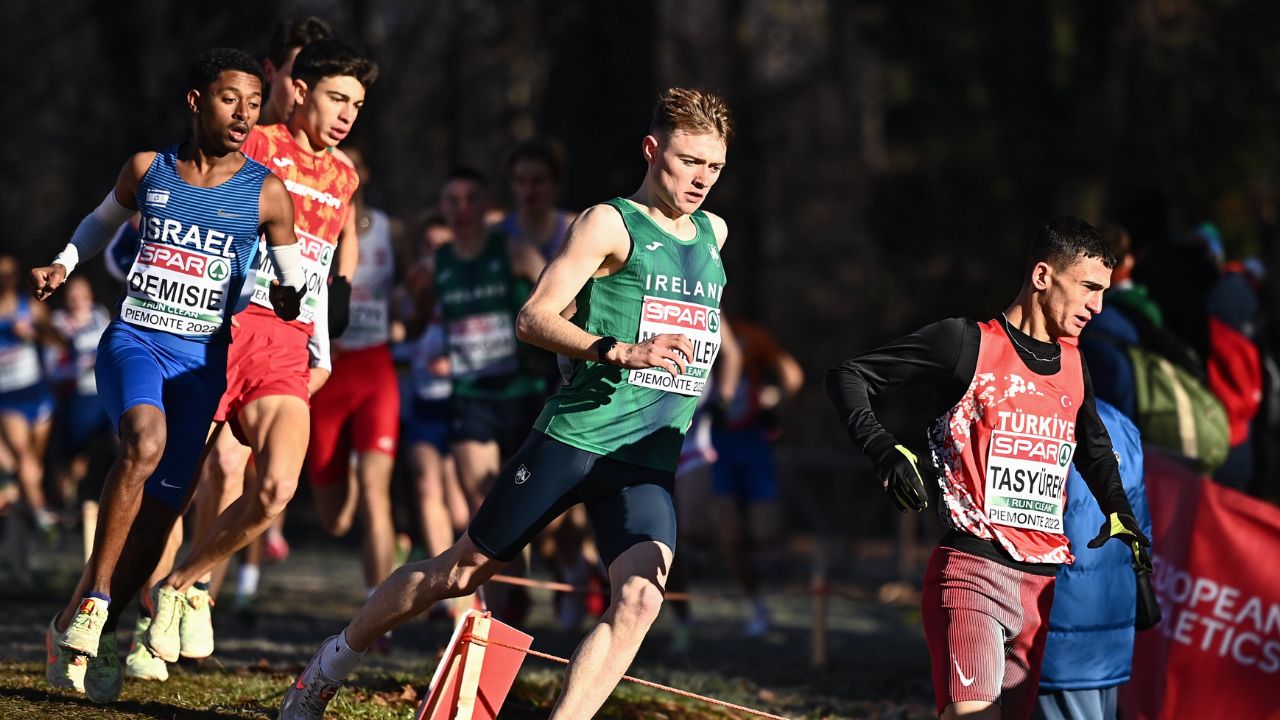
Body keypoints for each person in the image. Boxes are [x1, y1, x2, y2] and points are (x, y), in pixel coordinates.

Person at [280, 86, 733, 719]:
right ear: (653, 150)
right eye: (688, 161)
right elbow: (533, 317)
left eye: (714, 166)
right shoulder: (609, 222)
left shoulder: (714, 233)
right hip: (575, 440)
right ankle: (328, 667)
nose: (701, 179)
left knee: (640, 600)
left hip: (647, 457)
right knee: (459, 573)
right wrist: (619, 350)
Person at [34, 47, 304, 703]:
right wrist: (64, 264)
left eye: (251, 102)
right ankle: (93, 599)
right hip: (136, 340)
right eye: (228, 98)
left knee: (163, 512)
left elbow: (294, 275)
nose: (243, 114)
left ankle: (102, 628)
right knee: (142, 445)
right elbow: (101, 224)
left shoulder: (267, 193)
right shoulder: (147, 169)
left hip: (203, 361)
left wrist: (294, 296)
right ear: (196, 99)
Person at [826, 215, 1152, 720]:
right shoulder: (964, 343)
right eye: (1088, 288)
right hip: (972, 570)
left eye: (1104, 292)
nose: (1098, 306)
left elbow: (1091, 447)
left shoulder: (1074, 363)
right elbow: (848, 376)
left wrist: (1119, 512)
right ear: (1043, 276)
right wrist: (883, 450)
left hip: (1041, 587)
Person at [142, 39, 378, 665]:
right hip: (215, 327)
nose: (348, 114)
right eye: (336, 98)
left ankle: (181, 585)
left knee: (273, 488)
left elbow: (336, 243)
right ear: (300, 92)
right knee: (182, 479)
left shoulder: (344, 174)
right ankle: (134, 610)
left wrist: (341, 296)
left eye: (357, 103)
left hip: (287, 341)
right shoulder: (256, 142)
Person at [305, 146, 403, 615]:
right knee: (335, 520)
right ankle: (342, 472)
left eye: (354, 169)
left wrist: (413, 306)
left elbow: (410, 292)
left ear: (362, 176)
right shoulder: (312, 225)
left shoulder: (390, 230)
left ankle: (376, 606)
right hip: (327, 370)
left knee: (374, 491)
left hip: (375, 368)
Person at [1033, 399, 1153, 720]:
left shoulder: (1031, 415)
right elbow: (1140, 532)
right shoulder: (1121, 424)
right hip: (1109, 627)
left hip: (1054, 624)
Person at [710, 316, 803, 637]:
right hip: (714, 443)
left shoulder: (753, 335)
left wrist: (775, 398)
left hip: (753, 442)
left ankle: (769, 587)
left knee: (764, 534)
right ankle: (754, 603)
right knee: (732, 537)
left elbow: (792, 374)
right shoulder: (690, 325)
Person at [48, 276, 114, 560]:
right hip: (77, 400)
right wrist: (79, 366)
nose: (77, 299)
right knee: (76, 459)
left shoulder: (100, 315)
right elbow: (52, 370)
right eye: (72, 294)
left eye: (81, 293)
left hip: (103, 395)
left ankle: (101, 504)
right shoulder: (58, 323)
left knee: (112, 448)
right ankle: (70, 504)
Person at [0, 254, 59, 537]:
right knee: (25, 459)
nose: (5, 280)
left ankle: (24, 508)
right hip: (8, 397)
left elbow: (58, 341)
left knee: (34, 464)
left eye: (9, 274)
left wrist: (33, 334)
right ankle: (44, 522)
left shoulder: (30, 309)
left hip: (37, 392)